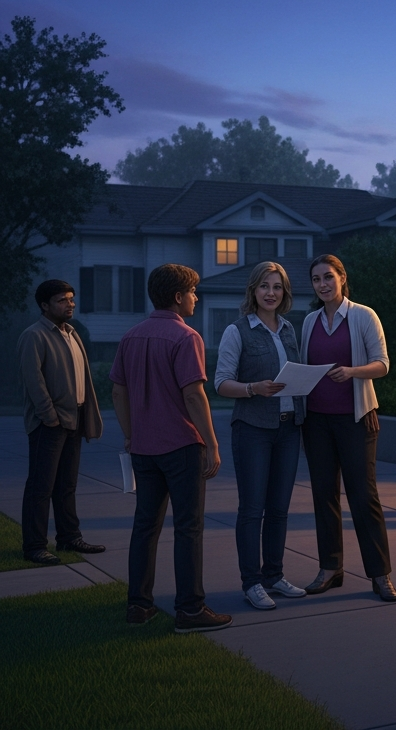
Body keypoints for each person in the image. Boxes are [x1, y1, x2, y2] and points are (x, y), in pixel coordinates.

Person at [110, 264, 231, 632]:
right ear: (178, 297)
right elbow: (194, 394)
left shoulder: (131, 336)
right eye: (193, 292)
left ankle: (138, 606)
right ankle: (191, 610)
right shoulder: (186, 337)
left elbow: (118, 391)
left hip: (144, 450)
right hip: (181, 446)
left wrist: (131, 435)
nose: (196, 298)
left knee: (145, 526)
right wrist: (211, 443)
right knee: (188, 528)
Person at [299, 255, 396, 602]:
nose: (322, 284)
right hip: (316, 421)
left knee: (363, 496)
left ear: (342, 278)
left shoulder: (362, 315)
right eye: (315, 280)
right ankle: (330, 569)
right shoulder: (310, 321)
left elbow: (382, 364)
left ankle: (380, 574)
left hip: (355, 419)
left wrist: (353, 371)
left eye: (328, 277)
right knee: (324, 496)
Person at [214, 261, 307, 610]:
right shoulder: (237, 331)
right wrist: (253, 388)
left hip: (288, 426)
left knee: (279, 509)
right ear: (253, 291)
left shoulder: (288, 330)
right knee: (253, 509)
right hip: (253, 429)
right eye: (265, 286)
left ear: (284, 293)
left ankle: (274, 576)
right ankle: (251, 582)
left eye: (277, 287)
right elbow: (221, 383)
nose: (271, 293)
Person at [18, 279, 105, 565]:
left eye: (71, 299)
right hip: (50, 424)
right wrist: (50, 417)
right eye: (62, 300)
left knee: (66, 485)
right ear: (45, 306)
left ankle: (69, 538)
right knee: (41, 487)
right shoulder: (35, 335)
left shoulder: (72, 333)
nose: (70, 304)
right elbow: (34, 381)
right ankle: (34, 546)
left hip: (75, 419)